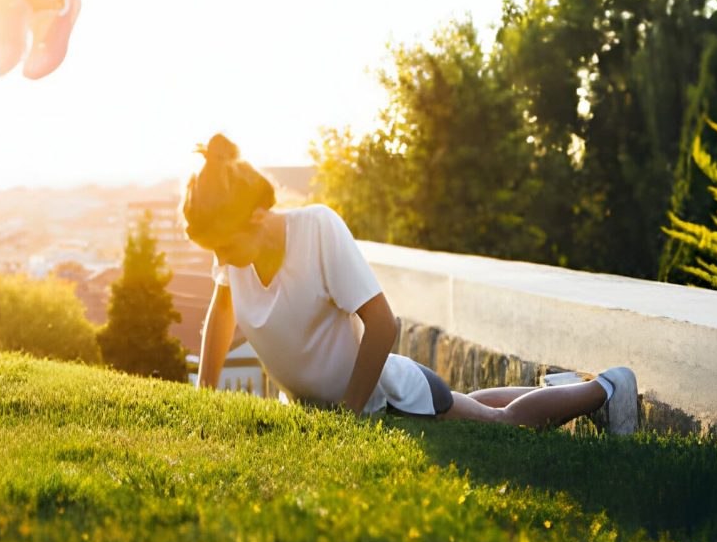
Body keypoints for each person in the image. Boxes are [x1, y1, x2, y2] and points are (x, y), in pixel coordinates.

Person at [183, 134, 639, 433]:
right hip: (344, 404)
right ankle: (562, 391)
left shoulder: (316, 230)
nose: (220, 260)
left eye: (223, 245)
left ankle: (608, 388)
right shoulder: (236, 259)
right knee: (469, 406)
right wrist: (203, 395)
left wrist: (348, 417)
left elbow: (383, 323)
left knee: (502, 424)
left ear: (257, 217)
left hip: (387, 398)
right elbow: (222, 313)